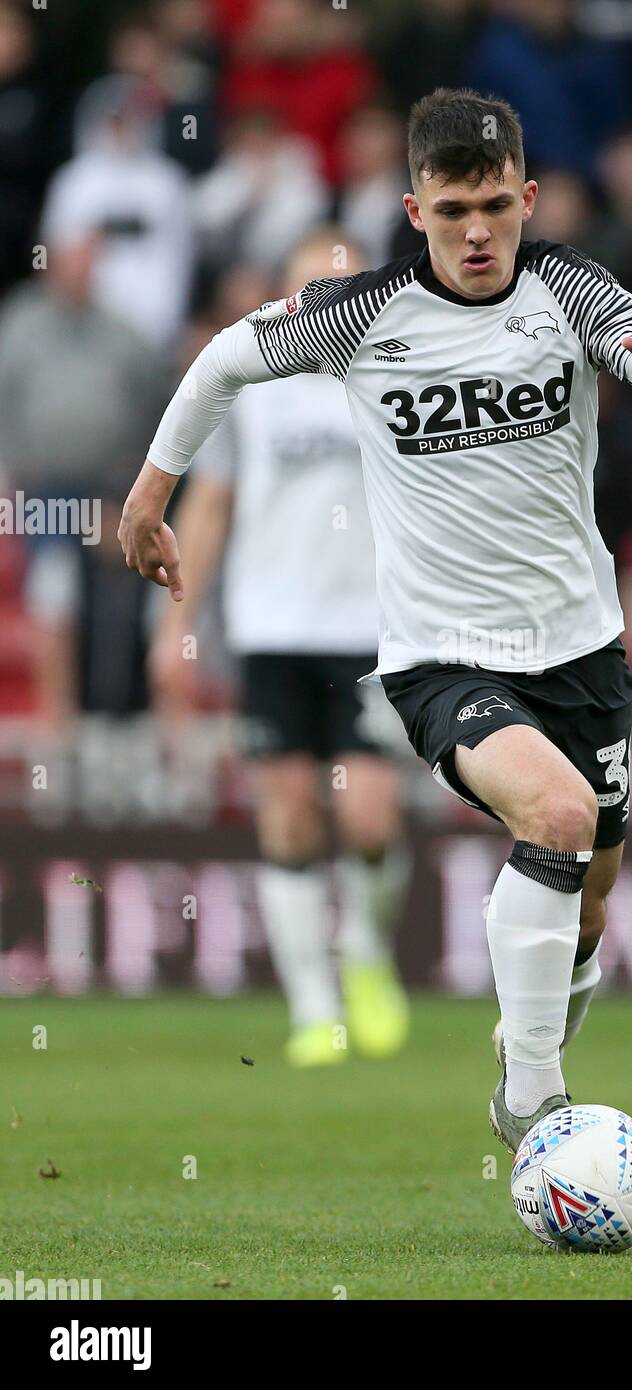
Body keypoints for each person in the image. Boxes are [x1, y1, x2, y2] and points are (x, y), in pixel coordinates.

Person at [119, 87, 632, 1153]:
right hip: (441, 657)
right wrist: (147, 495)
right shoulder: (363, 314)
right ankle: (535, 1103)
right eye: (453, 211)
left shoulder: (572, 292)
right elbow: (222, 359)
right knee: (554, 813)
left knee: (587, 908)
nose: (478, 230)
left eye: (496, 204)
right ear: (414, 210)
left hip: (581, 649)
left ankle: (526, 1047)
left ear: (529, 197)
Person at [148, 228, 411, 1067]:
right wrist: (175, 625)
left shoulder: (390, 378)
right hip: (272, 627)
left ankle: (365, 948)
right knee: (290, 815)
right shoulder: (248, 387)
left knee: (369, 818)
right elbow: (214, 503)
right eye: (306, 287)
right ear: (284, 296)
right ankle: (313, 1007)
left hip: (372, 631)